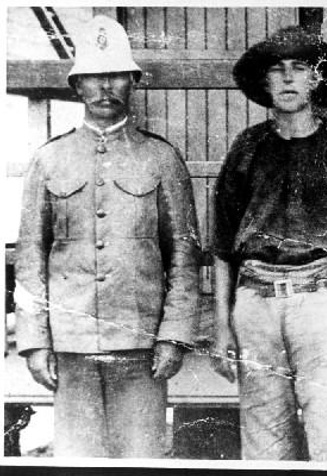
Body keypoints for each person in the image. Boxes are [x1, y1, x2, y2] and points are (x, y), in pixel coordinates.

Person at [14, 15, 200, 458]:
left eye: (116, 75)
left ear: (133, 81)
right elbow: (30, 259)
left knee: (143, 460)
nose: (105, 88)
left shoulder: (160, 159)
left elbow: (184, 257)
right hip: (70, 346)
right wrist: (36, 342)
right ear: (77, 86)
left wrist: (173, 336)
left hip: (140, 347)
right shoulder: (49, 160)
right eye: (94, 77)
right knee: (77, 461)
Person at [210, 26, 327, 461]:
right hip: (257, 302)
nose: (288, 79)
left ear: (316, 80)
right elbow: (222, 247)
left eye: (300, 68)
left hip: (324, 300)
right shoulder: (247, 147)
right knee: (264, 436)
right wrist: (220, 325)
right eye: (277, 70)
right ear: (265, 83)